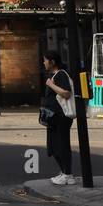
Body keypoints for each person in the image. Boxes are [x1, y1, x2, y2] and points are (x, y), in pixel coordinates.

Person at [42, 51, 76, 185]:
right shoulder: (55, 75)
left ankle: (67, 174)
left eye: (45, 60)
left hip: (61, 116)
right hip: (54, 117)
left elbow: (66, 93)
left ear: (52, 62)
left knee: (61, 144)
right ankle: (65, 172)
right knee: (54, 145)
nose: (44, 63)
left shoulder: (61, 74)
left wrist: (50, 85)